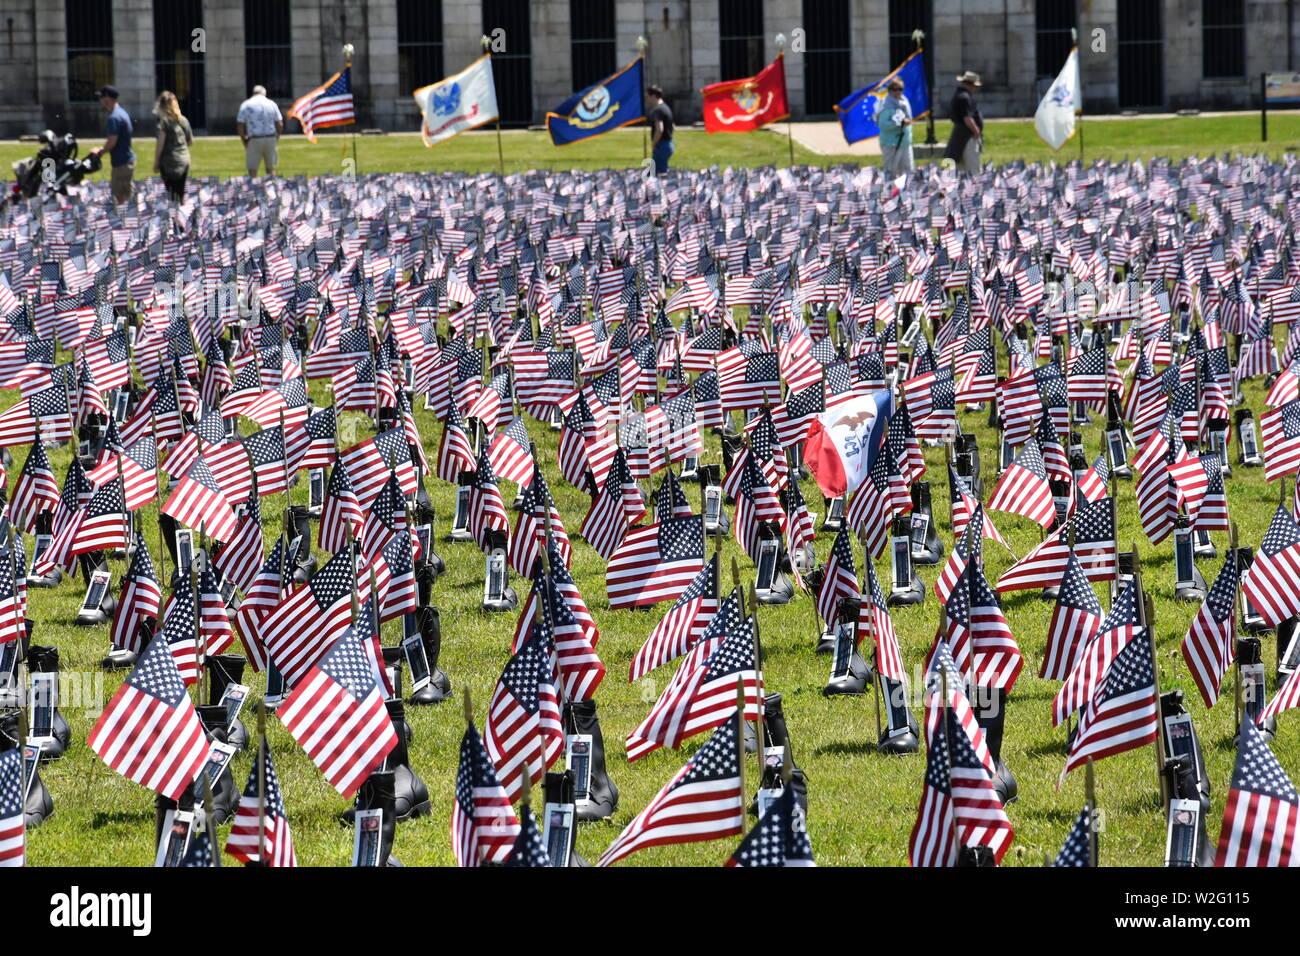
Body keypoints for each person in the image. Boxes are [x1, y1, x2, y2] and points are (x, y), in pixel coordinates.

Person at [88, 85, 134, 205]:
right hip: (126, 160)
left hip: (121, 164)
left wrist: (100, 152)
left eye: (101, 97)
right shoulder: (122, 113)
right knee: (125, 197)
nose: (100, 100)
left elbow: (112, 141)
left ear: (107, 98)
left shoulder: (114, 117)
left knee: (120, 200)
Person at [152, 91, 193, 203]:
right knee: (180, 195)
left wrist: (156, 163)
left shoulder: (164, 122)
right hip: (184, 161)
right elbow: (189, 141)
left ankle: (175, 218)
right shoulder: (183, 120)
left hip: (169, 163)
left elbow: (160, 145)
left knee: (171, 196)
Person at [237, 84, 283, 177]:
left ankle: (253, 188)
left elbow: (240, 124)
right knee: (271, 169)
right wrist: (277, 137)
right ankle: (271, 188)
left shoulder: (246, 104)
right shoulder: (271, 103)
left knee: (252, 170)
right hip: (270, 137)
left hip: (254, 138)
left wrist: (244, 139)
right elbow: (280, 123)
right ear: (264, 93)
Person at [944, 71, 984, 173]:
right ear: (970, 85)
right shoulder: (964, 97)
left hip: (960, 134)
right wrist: (976, 131)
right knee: (973, 166)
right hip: (967, 136)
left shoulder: (960, 95)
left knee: (961, 167)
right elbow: (968, 118)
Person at [875, 77, 914, 179]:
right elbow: (883, 125)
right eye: (894, 89)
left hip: (905, 142)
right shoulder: (885, 104)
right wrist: (899, 123)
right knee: (891, 173)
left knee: (907, 172)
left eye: (900, 89)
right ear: (889, 90)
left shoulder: (904, 102)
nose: (897, 92)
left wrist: (908, 121)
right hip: (890, 144)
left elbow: (909, 117)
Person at [647, 85, 674, 175]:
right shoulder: (666, 108)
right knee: (658, 172)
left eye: (648, 97)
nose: (647, 100)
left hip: (661, 146)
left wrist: (654, 144)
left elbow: (659, 129)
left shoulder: (657, 110)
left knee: (656, 175)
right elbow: (673, 127)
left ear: (653, 96)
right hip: (668, 144)